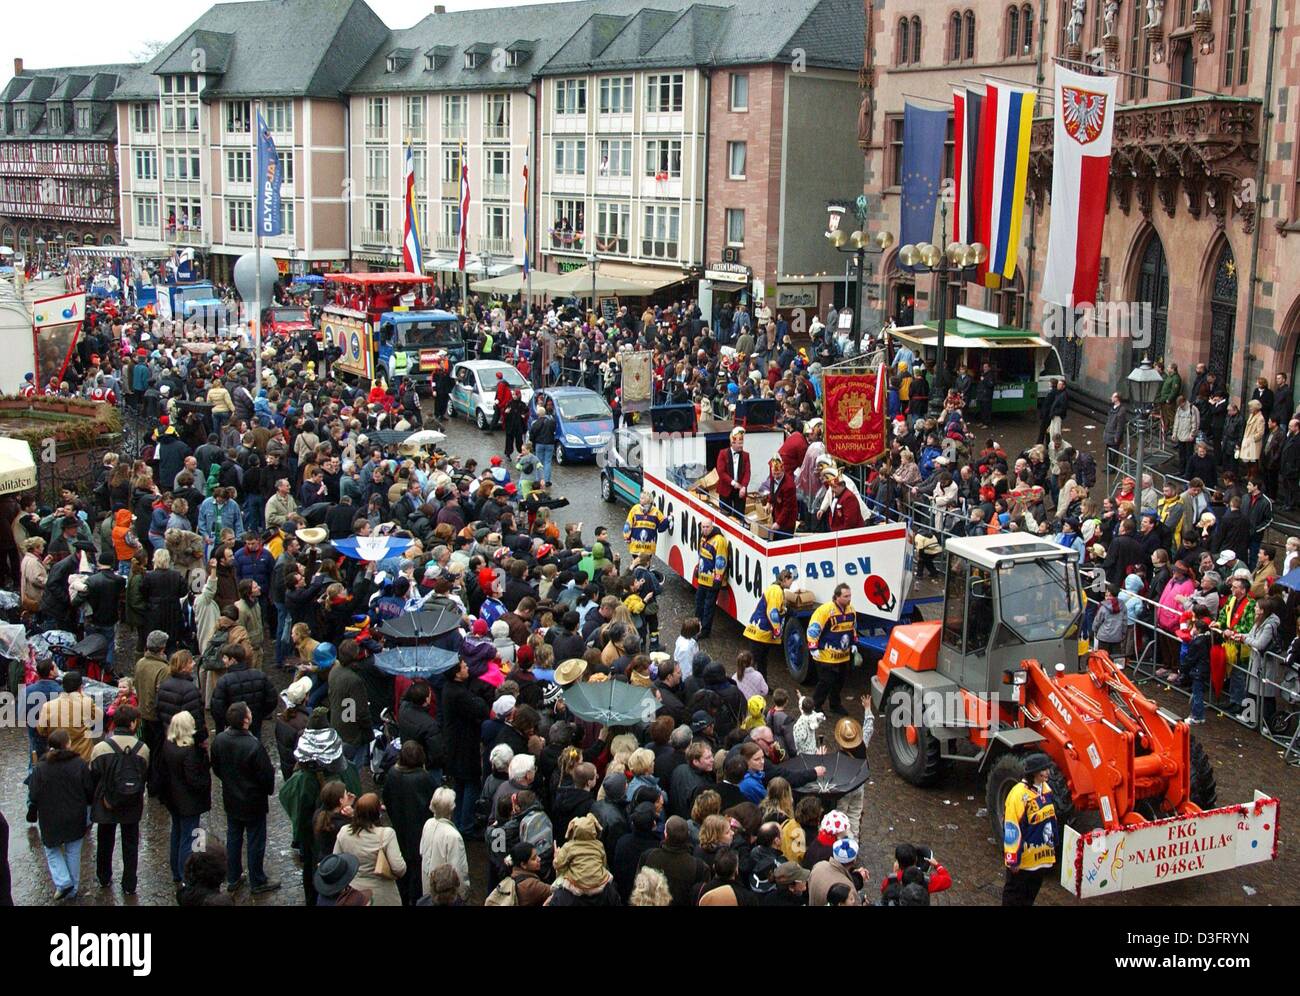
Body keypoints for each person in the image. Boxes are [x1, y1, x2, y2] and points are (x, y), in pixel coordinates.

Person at [210, 702, 280, 894]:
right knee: (255, 840)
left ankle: (233, 877)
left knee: (233, 837)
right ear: (246, 720)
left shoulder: (219, 740)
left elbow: (216, 767)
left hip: (231, 798)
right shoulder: (254, 745)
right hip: (253, 801)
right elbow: (266, 776)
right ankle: (257, 880)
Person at [28, 729, 94, 901]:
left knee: (51, 849)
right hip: (75, 815)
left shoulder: (41, 767)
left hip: (50, 817)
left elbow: (33, 794)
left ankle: (63, 881)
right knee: (73, 852)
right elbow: (89, 790)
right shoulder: (79, 763)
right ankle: (72, 889)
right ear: (67, 744)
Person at [89, 704, 149, 895]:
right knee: (130, 844)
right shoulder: (142, 749)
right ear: (133, 724)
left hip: (107, 803)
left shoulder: (100, 748)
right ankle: (129, 883)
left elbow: (93, 777)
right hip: (132, 803)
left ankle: (104, 877)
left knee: (105, 841)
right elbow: (144, 775)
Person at [152, 710, 212, 889]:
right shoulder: (189, 752)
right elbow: (196, 780)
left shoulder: (167, 745)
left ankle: (177, 873)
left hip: (174, 800)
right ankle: (187, 874)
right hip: (189, 802)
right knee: (189, 837)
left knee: (177, 834)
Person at [381, 741, 440, 906]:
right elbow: (435, 801)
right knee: (417, 870)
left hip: (400, 827)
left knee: (403, 867)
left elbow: (387, 797)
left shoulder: (393, 774)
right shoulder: (424, 777)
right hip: (420, 831)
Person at [1002, 754, 1059, 906]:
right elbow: (1012, 827)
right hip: (1024, 861)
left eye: (1047, 768)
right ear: (1034, 772)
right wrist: (1013, 859)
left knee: (1030, 895)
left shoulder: (1046, 789)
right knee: (1014, 896)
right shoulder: (1018, 795)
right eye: (1043, 769)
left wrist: (1055, 843)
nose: (1047, 772)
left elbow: (1051, 818)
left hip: (1041, 859)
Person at [333, 792, 406, 907]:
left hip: (354, 894)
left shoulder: (344, 832)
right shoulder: (386, 834)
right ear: (377, 813)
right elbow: (399, 868)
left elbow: (337, 860)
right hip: (383, 894)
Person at [809, 583, 856, 715]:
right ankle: (816, 706)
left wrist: (854, 643)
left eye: (850, 595)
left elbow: (853, 628)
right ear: (837, 597)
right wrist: (813, 647)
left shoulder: (851, 610)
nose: (849, 598)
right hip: (827, 655)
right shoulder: (825, 611)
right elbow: (814, 628)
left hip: (843, 655)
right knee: (826, 681)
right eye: (846, 596)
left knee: (840, 681)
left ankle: (835, 704)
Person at [419, 786, 470, 903]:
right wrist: (463, 894)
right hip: (447, 894)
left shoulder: (428, 823)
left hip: (429, 887)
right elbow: (458, 869)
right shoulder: (453, 836)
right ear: (451, 809)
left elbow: (421, 851)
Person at [742, 568, 792, 677]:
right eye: (790, 580)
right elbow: (772, 612)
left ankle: (762, 685)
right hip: (759, 633)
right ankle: (743, 683)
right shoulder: (776, 591)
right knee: (755, 662)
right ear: (785, 579)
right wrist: (777, 630)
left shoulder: (776, 589)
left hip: (760, 633)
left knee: (762, 662)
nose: (792, 582)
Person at [692, 518, 729, 640]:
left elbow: (721, 561)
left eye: (707, 527)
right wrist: (698, 568)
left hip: (712, 582)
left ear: (712, 527)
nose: (705, 529)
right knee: (698, 603)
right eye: (703, 527)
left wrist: (717, 580)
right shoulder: (703, 537)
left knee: (708, 606)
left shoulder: (719, 541)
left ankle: (705, 631)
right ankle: (697, 626)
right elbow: (702, 555)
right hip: (702, 580)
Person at [715, 427, 751, 521]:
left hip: (740, 491)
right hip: (726, 488)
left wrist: (744, 487)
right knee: (725, 515)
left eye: (742, 443)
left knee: (739, 516)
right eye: (739, 444)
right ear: (732, 443)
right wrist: (734, 483)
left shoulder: (746, 455)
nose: (741, 446)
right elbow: (721, 472)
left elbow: (747, 472)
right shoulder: (723, 453)